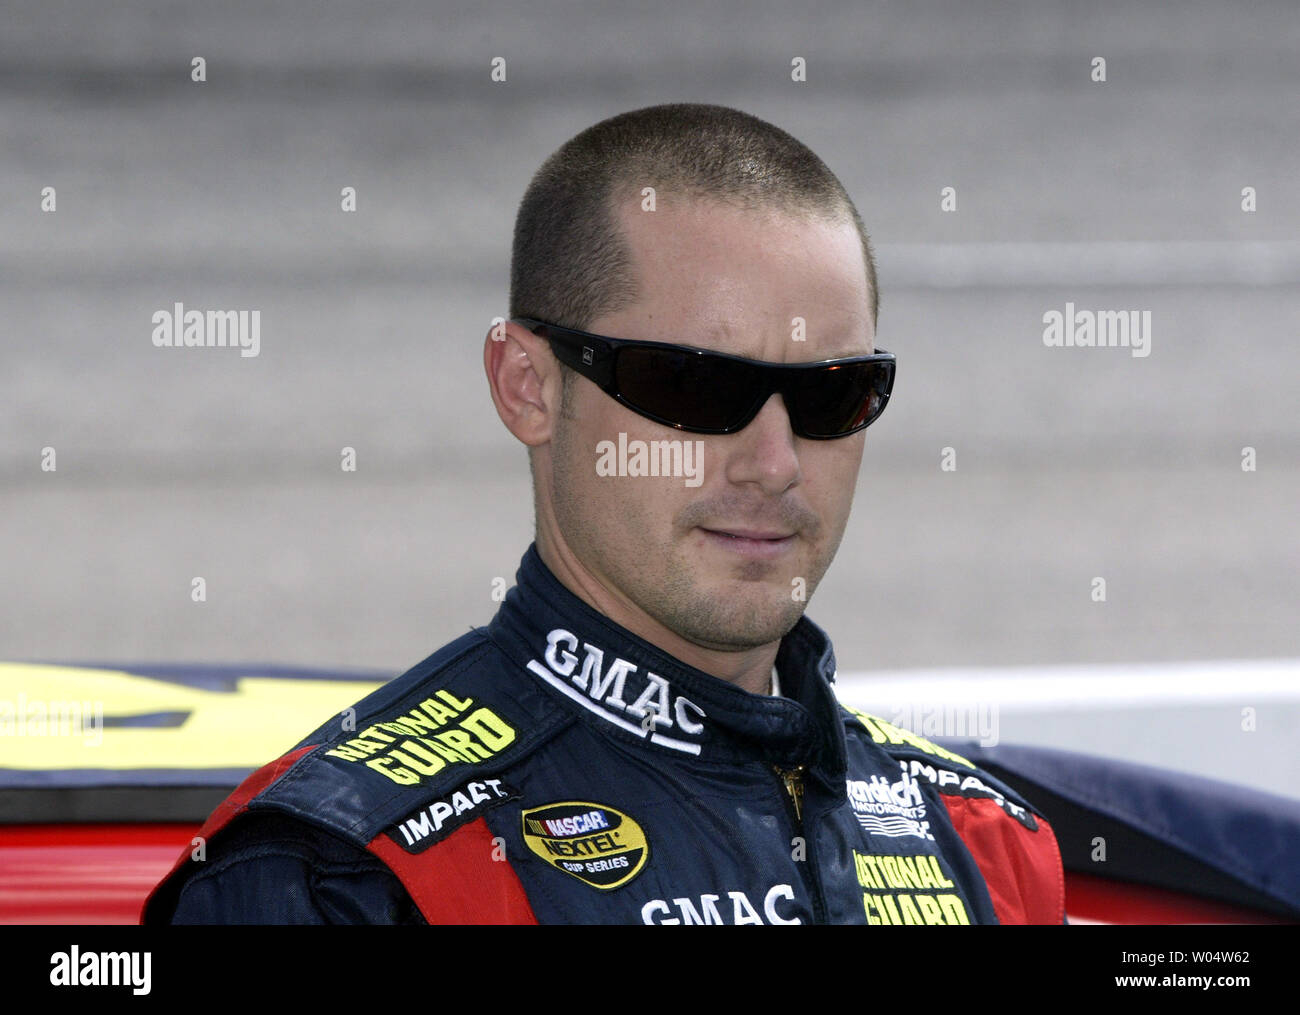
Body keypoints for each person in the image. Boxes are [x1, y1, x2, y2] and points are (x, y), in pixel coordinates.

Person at [143, 103, 1065, 925]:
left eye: (834, 395)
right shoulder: (344, 872)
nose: (775, 463)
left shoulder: (984, 841)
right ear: (527, 386)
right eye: (698, 386)